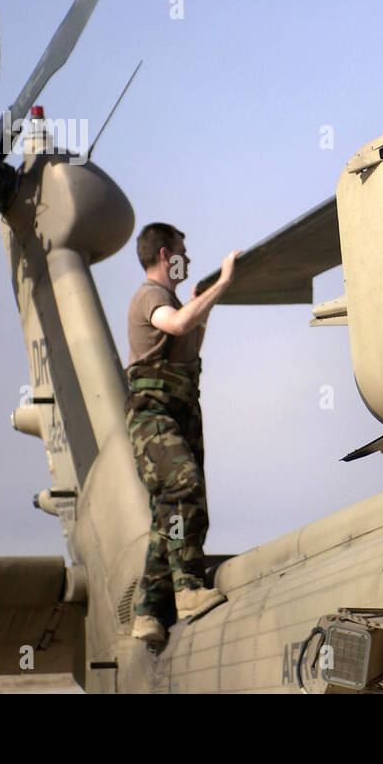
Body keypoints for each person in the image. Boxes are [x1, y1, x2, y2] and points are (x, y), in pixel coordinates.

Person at [126, 222, 240, 644]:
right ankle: (187, 589)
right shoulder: (151, 296)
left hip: (181, 410)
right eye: (181, 253)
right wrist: (223, 283)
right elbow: (175, 325)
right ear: (163, 256)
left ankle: (148, 611)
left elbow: (189, 338)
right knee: (183, 485)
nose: (186, 260)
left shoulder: (171, 300)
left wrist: (201, 305)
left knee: (172, 512)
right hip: (153, 414)